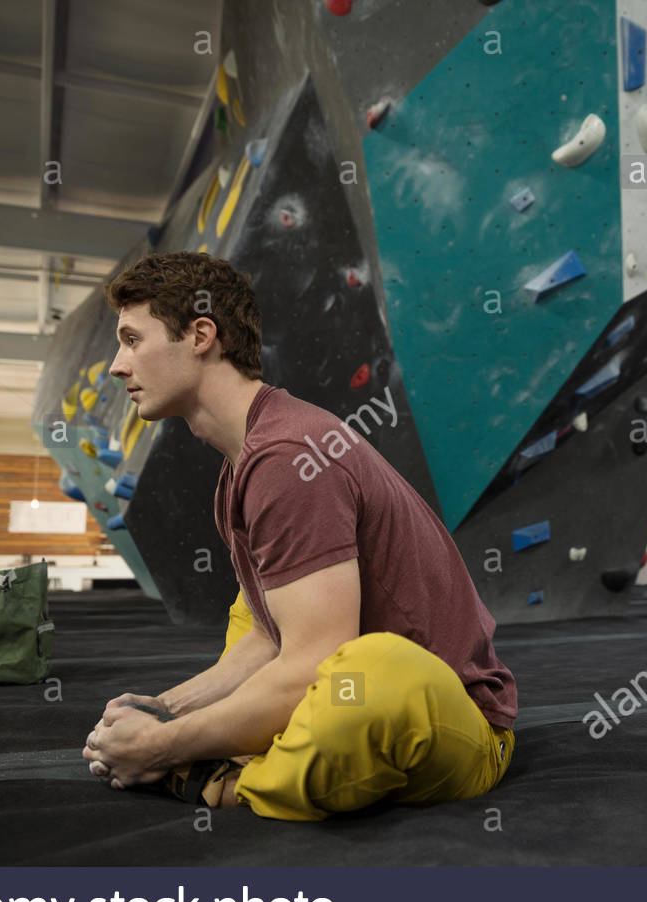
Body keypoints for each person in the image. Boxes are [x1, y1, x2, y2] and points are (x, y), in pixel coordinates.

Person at [82, 252, 517, 819]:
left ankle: (230, 784)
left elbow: (315, 664)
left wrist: (159, 747)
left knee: (374, 671)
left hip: (460, 729)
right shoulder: (244, 464)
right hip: (336, 688)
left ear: (201, 336)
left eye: (133, 339)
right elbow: (268, 638)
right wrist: (164, 709)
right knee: (253, 619)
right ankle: (216, 756)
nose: (118, 365)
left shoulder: (287, 456)